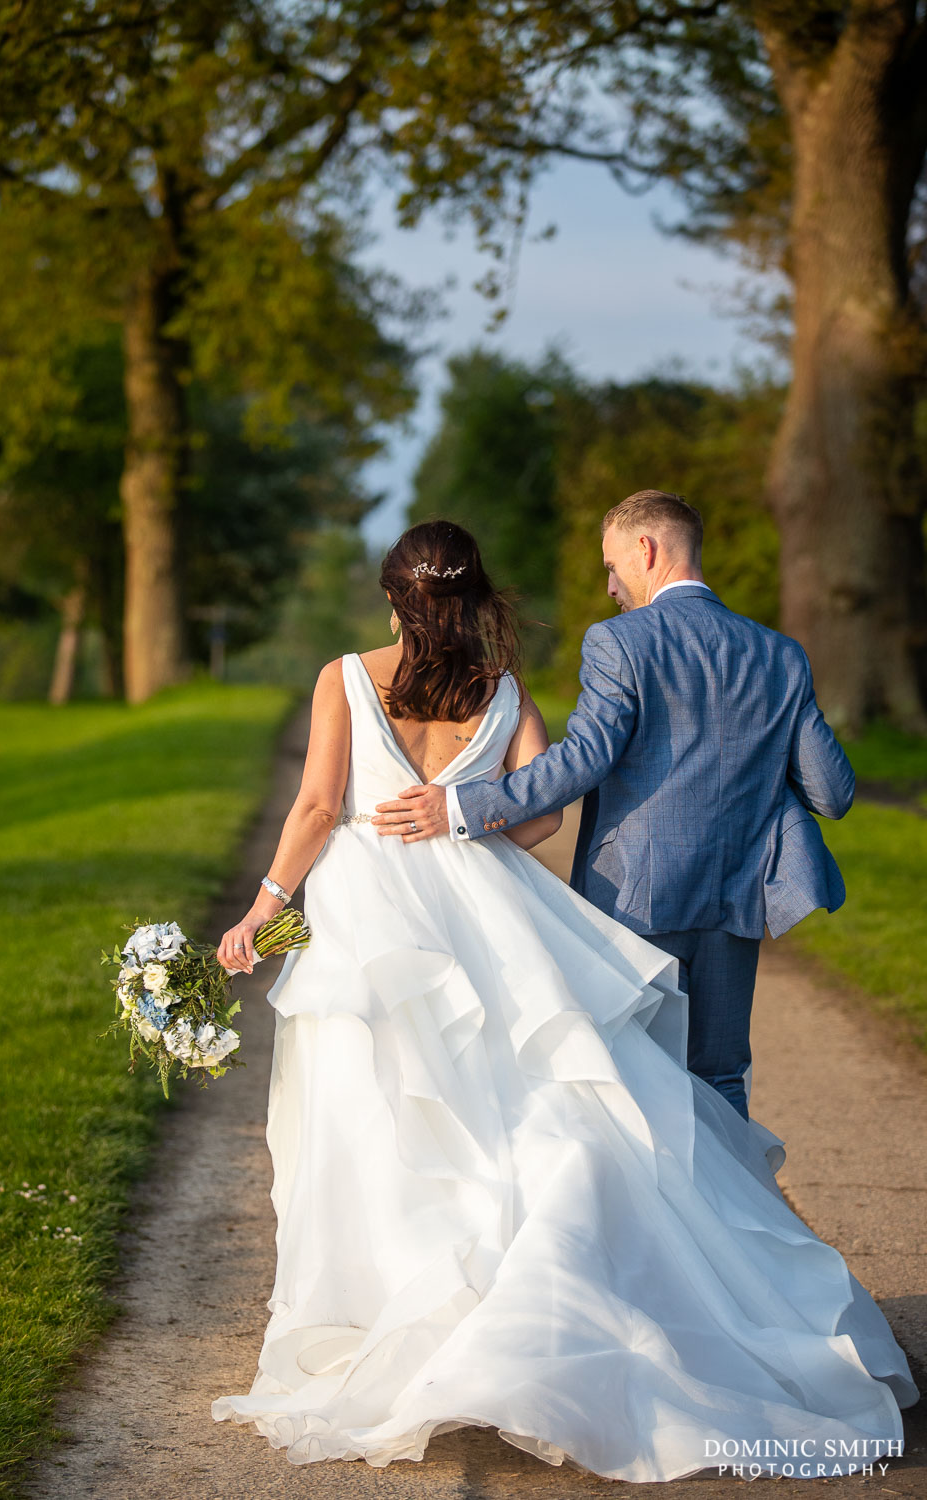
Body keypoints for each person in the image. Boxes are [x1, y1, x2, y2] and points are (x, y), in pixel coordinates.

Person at [210, 517, 916, 1481]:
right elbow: (543, 813)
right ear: (474, 595)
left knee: (381, 1107)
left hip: (376, 914)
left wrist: (265, 907)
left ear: (393, 598)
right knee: (559, 1096)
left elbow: (319, 809)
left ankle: (397, 1308)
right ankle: (667, 1280)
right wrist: (470, 831)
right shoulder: (506, 688)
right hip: (499, 898)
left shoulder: (344, 677)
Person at [374, 491, 851, 1124]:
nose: (610, 587)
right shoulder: (779, 654)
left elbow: (583, 760)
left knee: (634, 1074)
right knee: (720, 1077)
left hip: (635, 896)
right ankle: (730, 1190)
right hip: (737, 894)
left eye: (611, 566)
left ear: (645, 551)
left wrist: (462, 806)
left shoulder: (620, 642)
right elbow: (832, 793)